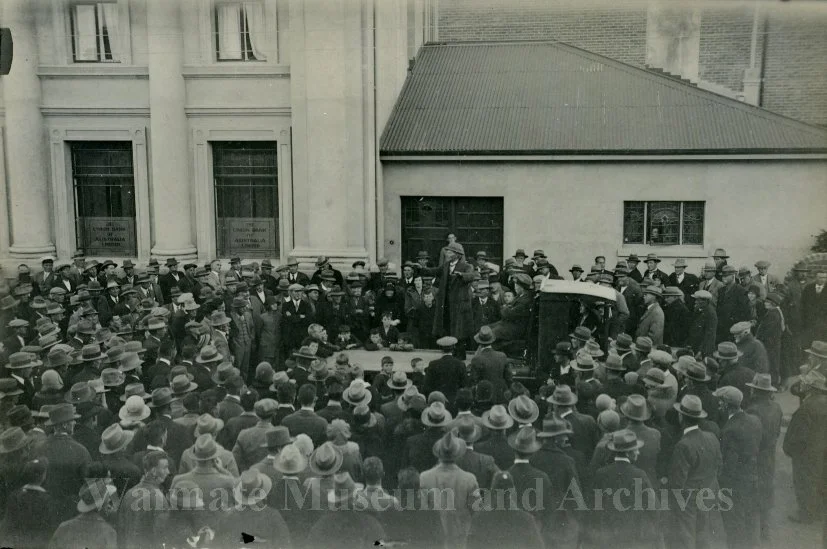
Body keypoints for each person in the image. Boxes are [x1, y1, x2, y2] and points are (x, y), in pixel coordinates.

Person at [587, 429, 659, 549]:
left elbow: (592, 505)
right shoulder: (639, 475)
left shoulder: (601, 473)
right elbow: (654, 506)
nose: (638, 452)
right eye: (635, 449)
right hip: (632, 535)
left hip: (606, 535)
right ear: (628, 453)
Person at [668, 395, 723, 549]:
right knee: (702, 534)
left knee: (686, 537)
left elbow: (677, 482)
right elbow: (719, 465)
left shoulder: (683, 445)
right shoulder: (712, 437)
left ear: (681, 417)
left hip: (688, 499)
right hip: (708, 493)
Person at [714, 386, 762, 549]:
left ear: (726, 405)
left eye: (720, 402)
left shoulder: (729, 429)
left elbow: (729, 464)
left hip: (735, 484)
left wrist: (722, 488)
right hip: (753, 478)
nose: (718, 405)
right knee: (750, 521)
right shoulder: (755, 420)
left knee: (734, 525)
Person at [420, 431, 480, 548]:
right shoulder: (469, 479)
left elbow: (422, 510)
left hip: (434, 538)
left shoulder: (424, 477)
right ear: (458, 454)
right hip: (461, 536)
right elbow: (477, 511)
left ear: (439, 453)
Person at [783, 370, 827, 524]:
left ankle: (806, 514)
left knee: (804, 483)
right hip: (822, 450)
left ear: (809, 388)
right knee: (821, 481)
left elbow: (797, 435)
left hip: (806, 453)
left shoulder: (806, 408)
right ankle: (819, 511)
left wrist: (790, 450)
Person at [744, 373, 782, 542]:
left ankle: (753, 536)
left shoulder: (752, 410)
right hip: (769, 456)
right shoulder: (777, 408)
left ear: (756, 391)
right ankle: (764, 529)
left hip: (756, 456)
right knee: (766, 490)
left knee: (753, 493)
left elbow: (750, 438)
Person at [419, 242, 476, 354]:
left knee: (459, 331)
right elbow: (434, 271)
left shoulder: (466, 266)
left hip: (459, 305)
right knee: (448, 328)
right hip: (446, 304)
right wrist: (421, 268)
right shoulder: (446, 265)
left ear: (457, 254)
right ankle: (448, 354)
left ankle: (459, 356)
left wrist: (461, 275)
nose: (447, 253)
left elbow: (471, 275)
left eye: (450, 251)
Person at [117, 450, 170, 549]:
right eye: (165, 468)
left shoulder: (129, 493)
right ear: (154, 471)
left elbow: (121, 529)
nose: (168, 472)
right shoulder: (159, 498)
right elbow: (160, 536)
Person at [48, 478, 118, 549]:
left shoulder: (63, 527)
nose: (110, 506)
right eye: (108, 502)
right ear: (103, 505)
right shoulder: (109, 532)